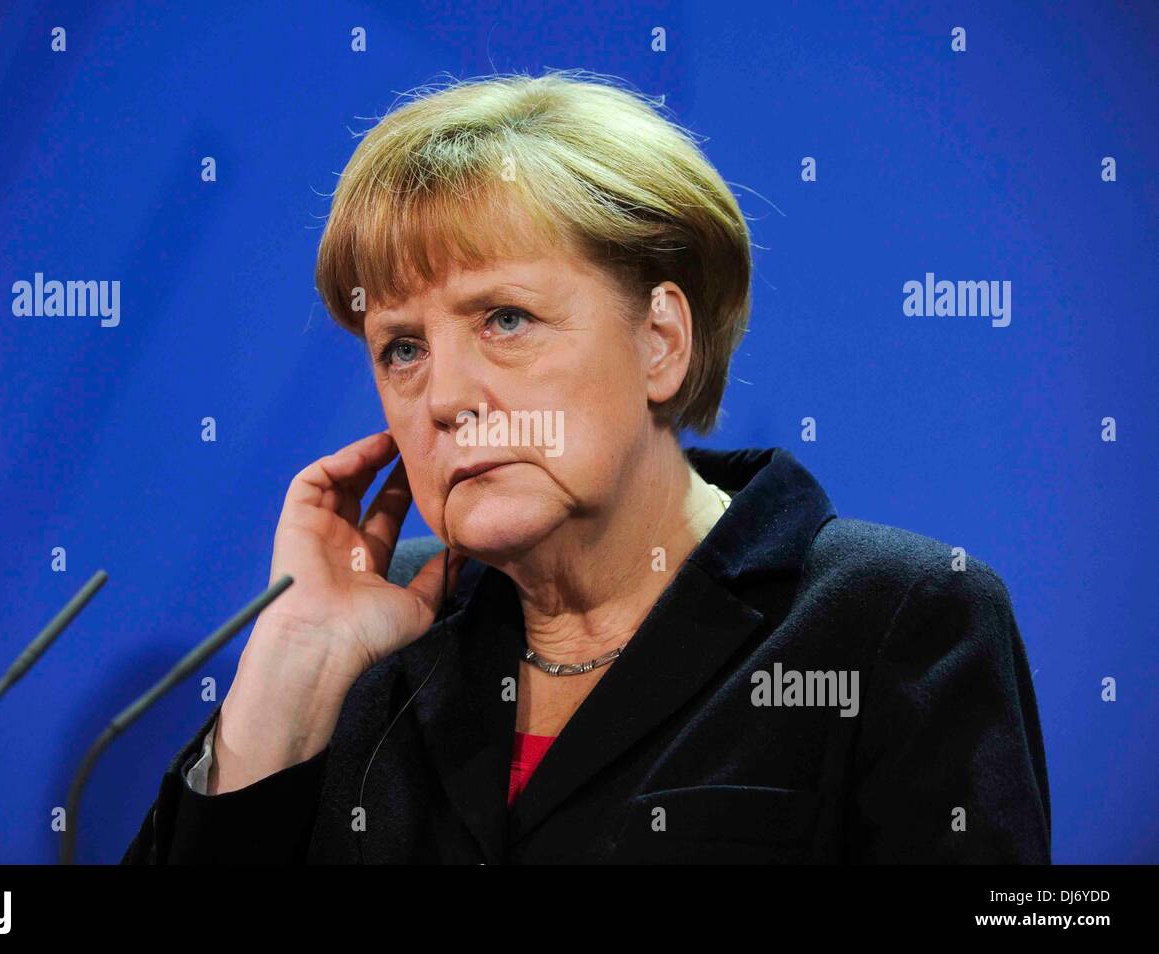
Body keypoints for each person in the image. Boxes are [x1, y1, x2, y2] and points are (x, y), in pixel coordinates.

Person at [122, 69, 1050, 864]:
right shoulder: (374, 636)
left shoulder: (892, 620)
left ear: (660, 343)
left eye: (505, 319)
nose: (445, 397)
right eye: (401, 348)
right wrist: (295, 670)